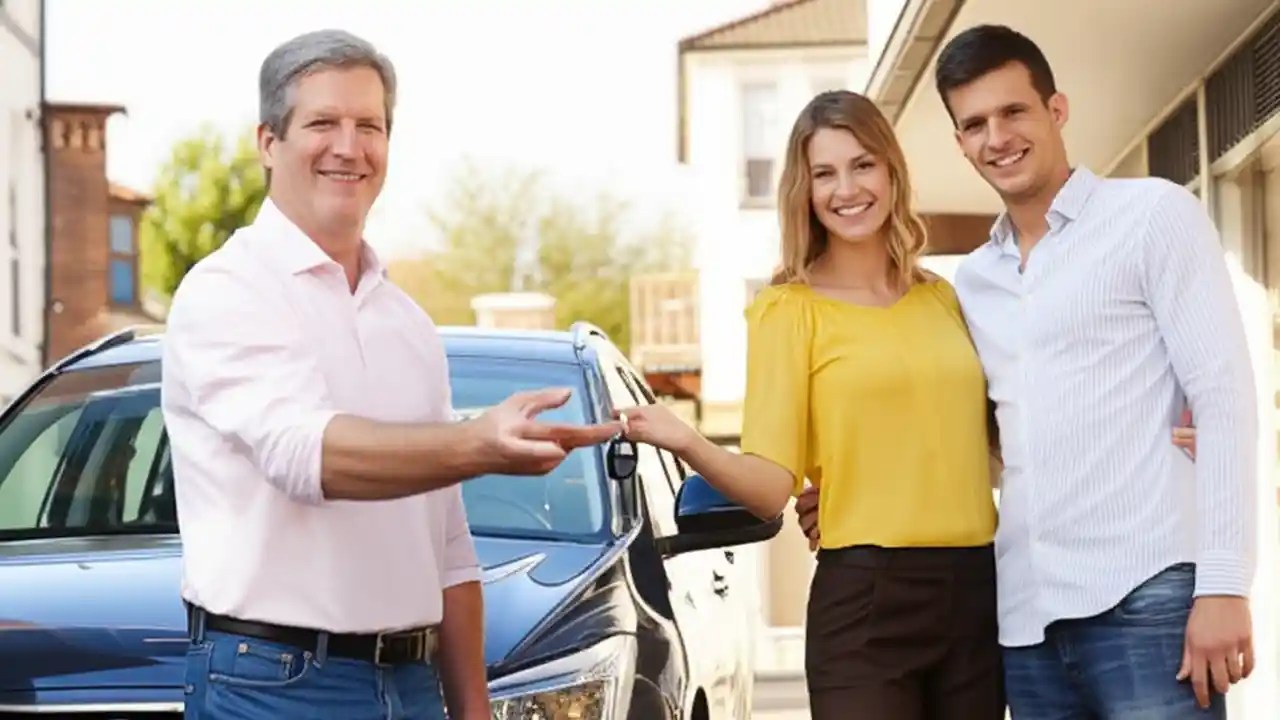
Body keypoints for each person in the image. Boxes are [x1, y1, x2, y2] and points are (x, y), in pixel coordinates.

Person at [797, 24, 1257, 719]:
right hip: (1024, 628)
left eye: (1013, 112)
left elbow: (1224, 399)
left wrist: (1224, 584)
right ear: (959, 144)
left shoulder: (1154, 217)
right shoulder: (971, 283)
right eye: (975, 124)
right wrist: (856, 493)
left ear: (1057, 110)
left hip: (1149, 599)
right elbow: (981, 440)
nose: (998, 137)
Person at [160, 30, 619, 720]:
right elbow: (304, 455)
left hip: (412, 686)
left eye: (369, 126)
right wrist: (475, 446)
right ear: (268, 142)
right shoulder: (227, 290)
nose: (349, 147)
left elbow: (448, 548)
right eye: (322, 122)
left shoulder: (407, 323)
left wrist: (471, 709)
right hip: (272, 688)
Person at [618, 89, 1006, 719]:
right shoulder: (788, 311)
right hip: (867, 607)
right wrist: (685, 439)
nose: (846, 189)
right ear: (803, 190)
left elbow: (983, 437)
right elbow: (773, 485)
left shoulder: (944, 299)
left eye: (862, 165)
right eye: (824, 173)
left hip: (976, 592)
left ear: (891, 170)